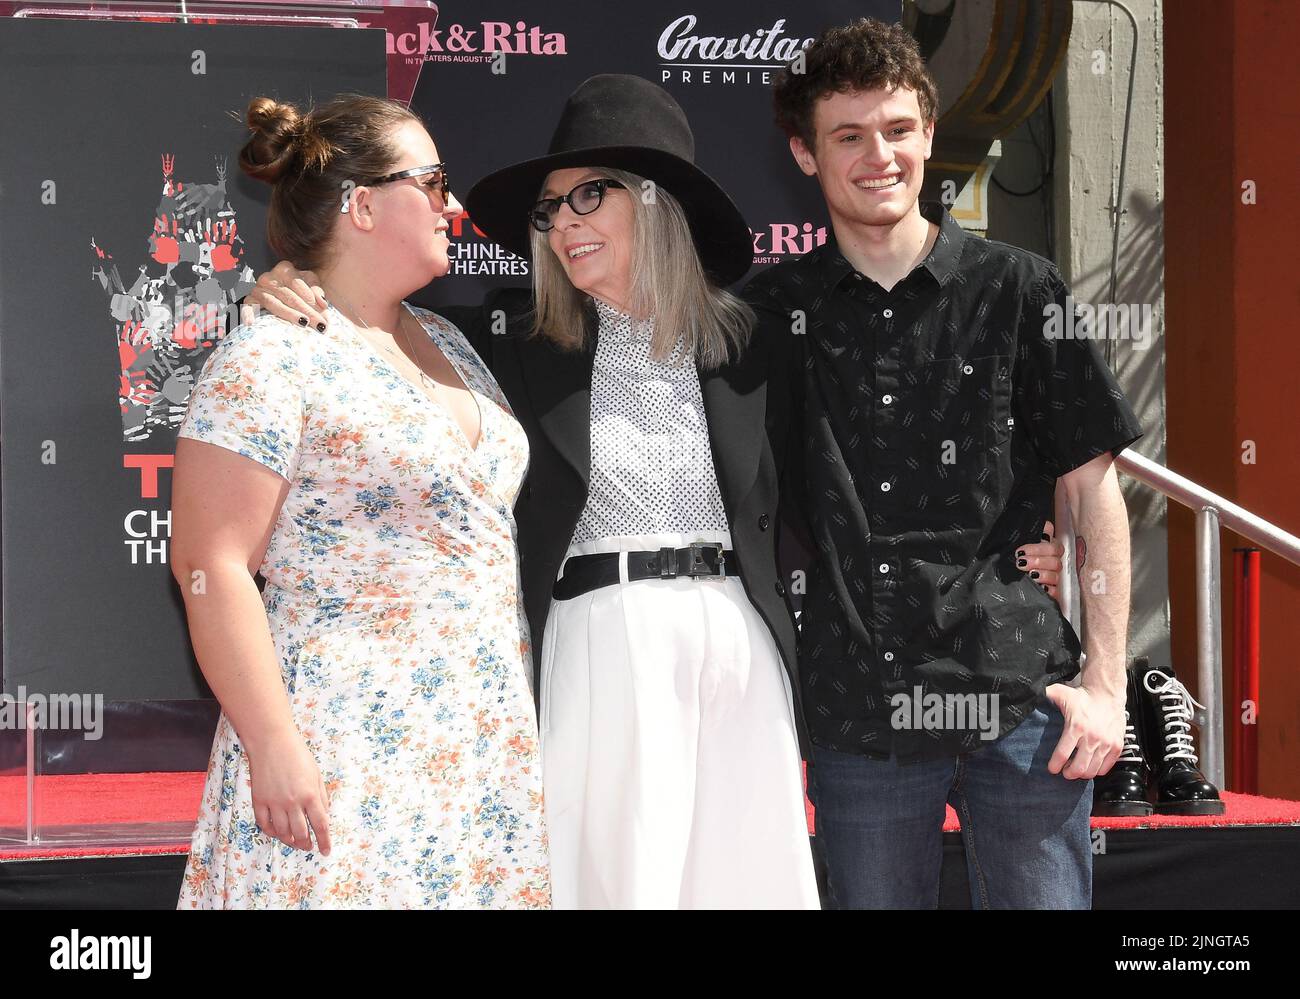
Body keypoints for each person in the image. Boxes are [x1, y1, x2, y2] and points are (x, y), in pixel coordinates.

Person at [246, 75, 1066, 909]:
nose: (562, 223)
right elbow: (368, 321)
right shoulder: (508, 340)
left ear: (657, 201)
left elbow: (885, 449)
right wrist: (282, 281)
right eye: (548, 211)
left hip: (740, 645)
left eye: (586, 198)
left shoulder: (754, 340)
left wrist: (1024, 542)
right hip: (599, 642)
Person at [746, 18, 1144, 909]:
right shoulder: (772, 313)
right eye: (847, 135)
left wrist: (1107, 686)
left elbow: (1093, 484)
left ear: (927, 132)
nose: (876, 154)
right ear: (806, 155)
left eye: (895, 128)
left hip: (1020, 701)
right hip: (861, 711)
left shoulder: (1021, 287)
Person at [171, 93, 549, 909]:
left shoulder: (448, 341)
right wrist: (272, 743)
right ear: (363, 204)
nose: (455, 204)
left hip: (480, 752)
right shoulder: (271, 354)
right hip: (342, 752)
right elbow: (210, 561)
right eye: (435, 182)